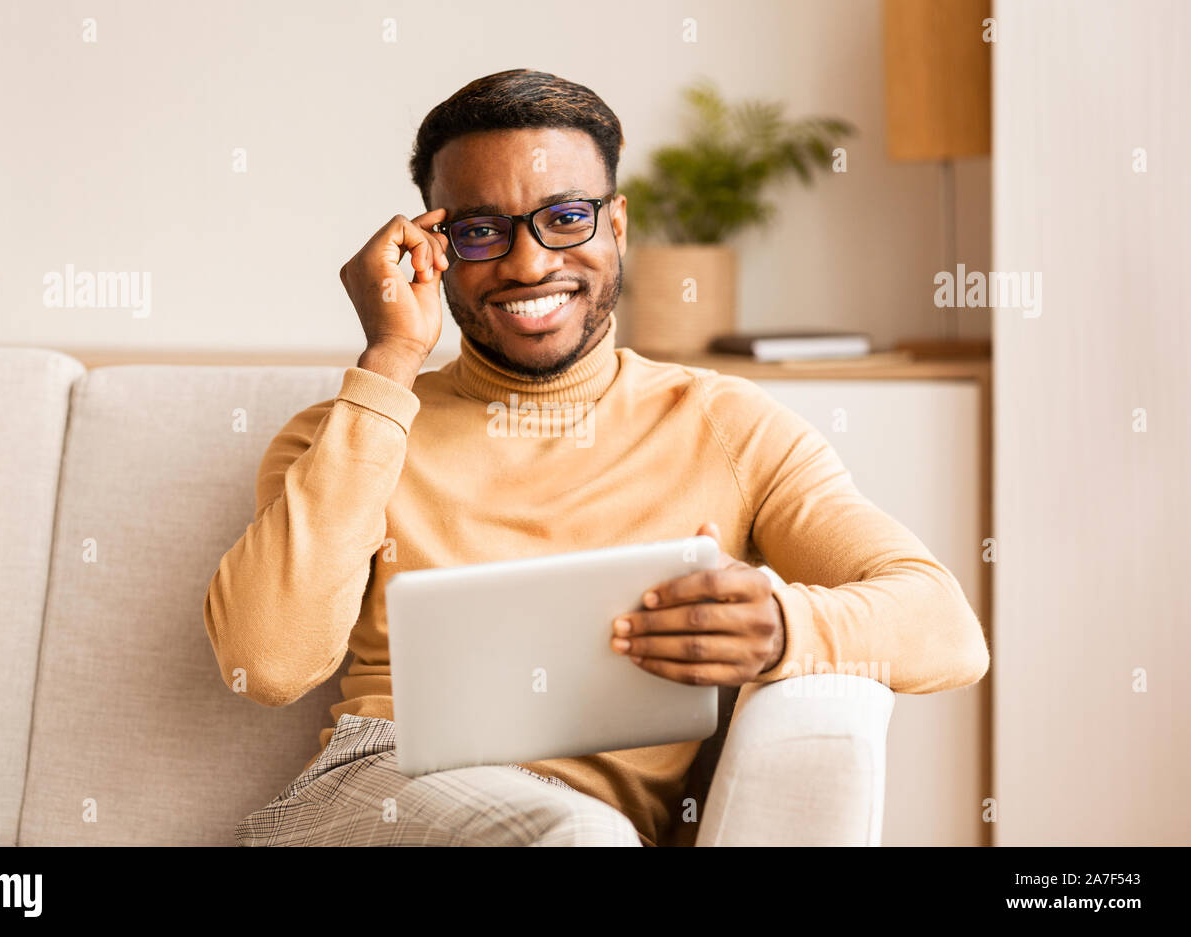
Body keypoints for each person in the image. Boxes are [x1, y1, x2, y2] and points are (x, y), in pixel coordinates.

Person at [203, 68, 990, 847]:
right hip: (374, 793)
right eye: (481, 230)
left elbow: (947, 627)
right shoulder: (351, 428)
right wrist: (389, 359)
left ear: (617, 224)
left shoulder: (725, 424)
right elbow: (266, 662)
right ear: (433, 250)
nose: (527, 264)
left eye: (566, 218)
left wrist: (788, 627)